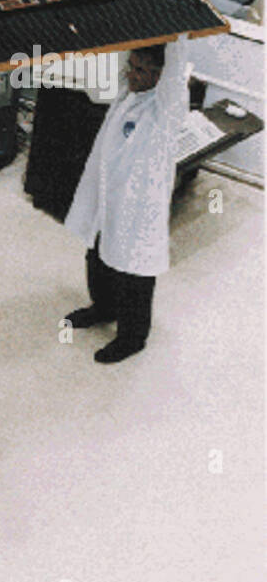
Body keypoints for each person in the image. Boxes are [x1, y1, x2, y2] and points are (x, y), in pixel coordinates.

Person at [63, 43, 189, 363]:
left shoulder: (166, 107)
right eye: (130, 66)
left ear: (160, 77)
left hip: (138, 206)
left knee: (134, 271)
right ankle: (103, 308)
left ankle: (133, 338)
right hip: (108, 196)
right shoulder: (129, 92)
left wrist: (181, 22)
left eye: (140, 70)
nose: (131, 74)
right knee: (98, 255)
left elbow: (175, 65)